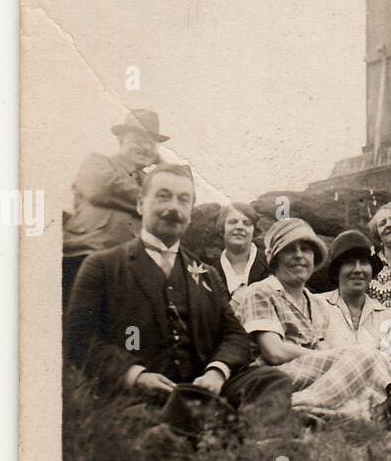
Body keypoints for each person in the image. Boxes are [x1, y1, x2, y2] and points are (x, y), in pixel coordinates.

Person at [65, 162, 294, 417]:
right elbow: (80, 339)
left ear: (190, 212)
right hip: (138, 394)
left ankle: (233, 435)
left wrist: (216, 371)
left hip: (204, 389)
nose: (174, 207)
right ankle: (211, 431)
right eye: (163, 197)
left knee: (270, 381)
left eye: (184, 200)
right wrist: (135, 375)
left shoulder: (207, 273)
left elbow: (235, 335)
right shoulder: (102, 265)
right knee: (148, 420)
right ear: (141, 204)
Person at [233, 217, 391, 421]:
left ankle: (315, 412)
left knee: (368, 375)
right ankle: (290, 410)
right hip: (271, 377)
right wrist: (343, 356)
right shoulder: (261, 291)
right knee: (366, 356)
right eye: (290, 249)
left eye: (306, 249)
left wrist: (340, 359)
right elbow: (274, 352)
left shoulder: (316, 303)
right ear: (275, 257)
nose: (300, 256)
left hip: (310, 377)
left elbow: (320, 351)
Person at [62, 108, 170, 308]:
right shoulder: (97, 163)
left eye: (150, 143)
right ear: (121, 139)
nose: (145, 147)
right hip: (87, 259)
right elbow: (104, 188)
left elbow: (176, 206)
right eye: (138, 139)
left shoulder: (149, 182)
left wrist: (162, 165)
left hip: (129, 272)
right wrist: (154, 201)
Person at [316, 230, 391, 353]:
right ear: (337, 271)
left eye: (364, 263)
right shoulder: (316, 306)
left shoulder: (385, 316)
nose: (358, 270)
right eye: (349, 263)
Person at [210, 201, 269, 299]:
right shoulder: (211, 274)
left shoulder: (270, 263)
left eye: (247, 223)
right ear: (222, 228)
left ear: (254, 230)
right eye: (233, 222)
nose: (240, 227)